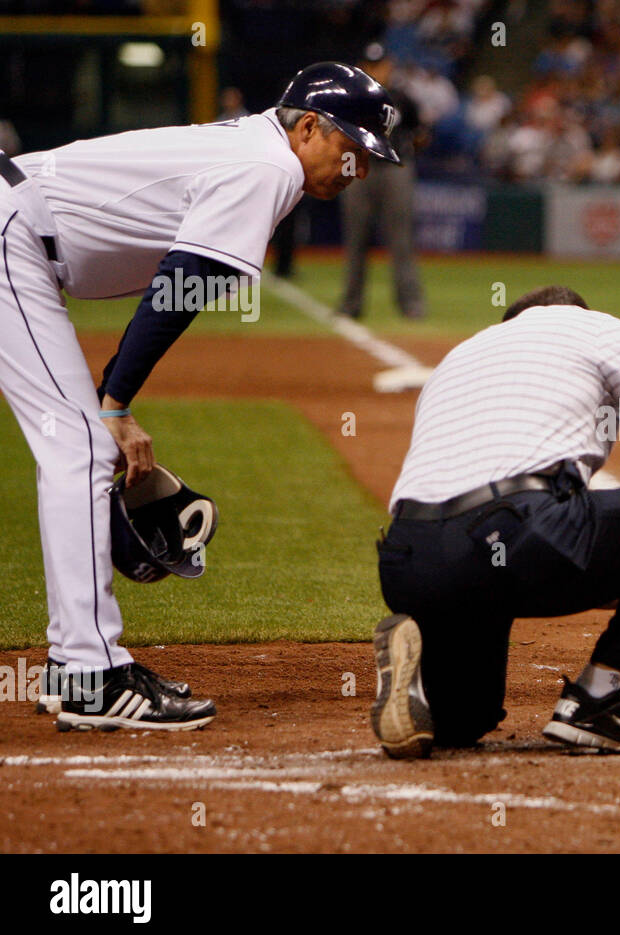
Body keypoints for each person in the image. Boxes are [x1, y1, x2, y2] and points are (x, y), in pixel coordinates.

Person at [0, 62, 400, 731]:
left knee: (80, 445)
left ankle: (79, 664)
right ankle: (90, 674)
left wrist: (111, 400)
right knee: (82, 447)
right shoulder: (269, 167)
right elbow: (181, 287)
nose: (358, 168)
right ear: (308, 127)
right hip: (12, 237)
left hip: (20, 234)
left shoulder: (258, 151)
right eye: (352, 148)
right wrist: (114, 403)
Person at [370, 285, 620, 757]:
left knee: (464, 721)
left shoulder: (460, 356)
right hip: (514, 533)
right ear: (575, 312)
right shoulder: (598, 330)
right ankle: (599, 698)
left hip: (409, 560)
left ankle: (417, 686)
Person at [338, 43, 428, 321]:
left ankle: (410, 303)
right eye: (371, 65)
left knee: (401, 240)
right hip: (359, 170)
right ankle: (351, 304)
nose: (376, 70)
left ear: (390, 66)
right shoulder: (350, 97)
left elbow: (420, 132)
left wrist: (407, 153)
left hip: (394, 169)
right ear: (362, 67)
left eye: (380, 64)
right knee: (355, 240)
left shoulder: (402, 97)